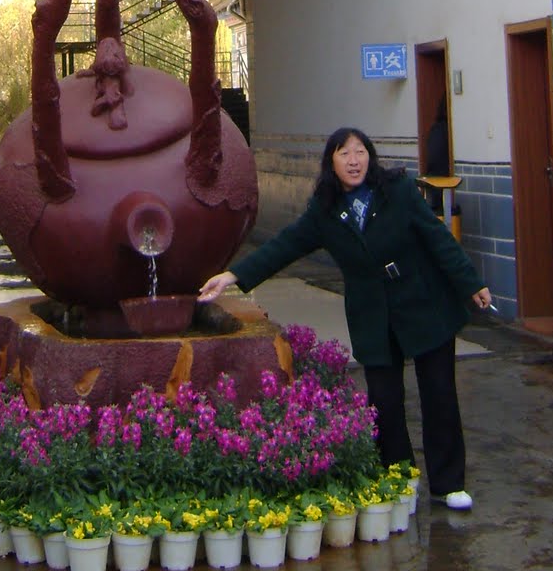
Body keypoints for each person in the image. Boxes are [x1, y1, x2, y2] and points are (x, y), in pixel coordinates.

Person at [198, 126, 491, 510]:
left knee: (439, 395)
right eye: (343, 154)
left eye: (359, 152)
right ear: (330, 163)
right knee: (384, 402)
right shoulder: (324, 211)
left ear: (370, 156)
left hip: (424, 303)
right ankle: (398, 478)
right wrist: (234, 275)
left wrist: (471, 283)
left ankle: (449, 484)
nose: (354, 161)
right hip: (373, 313)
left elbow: (438, 240)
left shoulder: (398, 192)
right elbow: (284, 245)